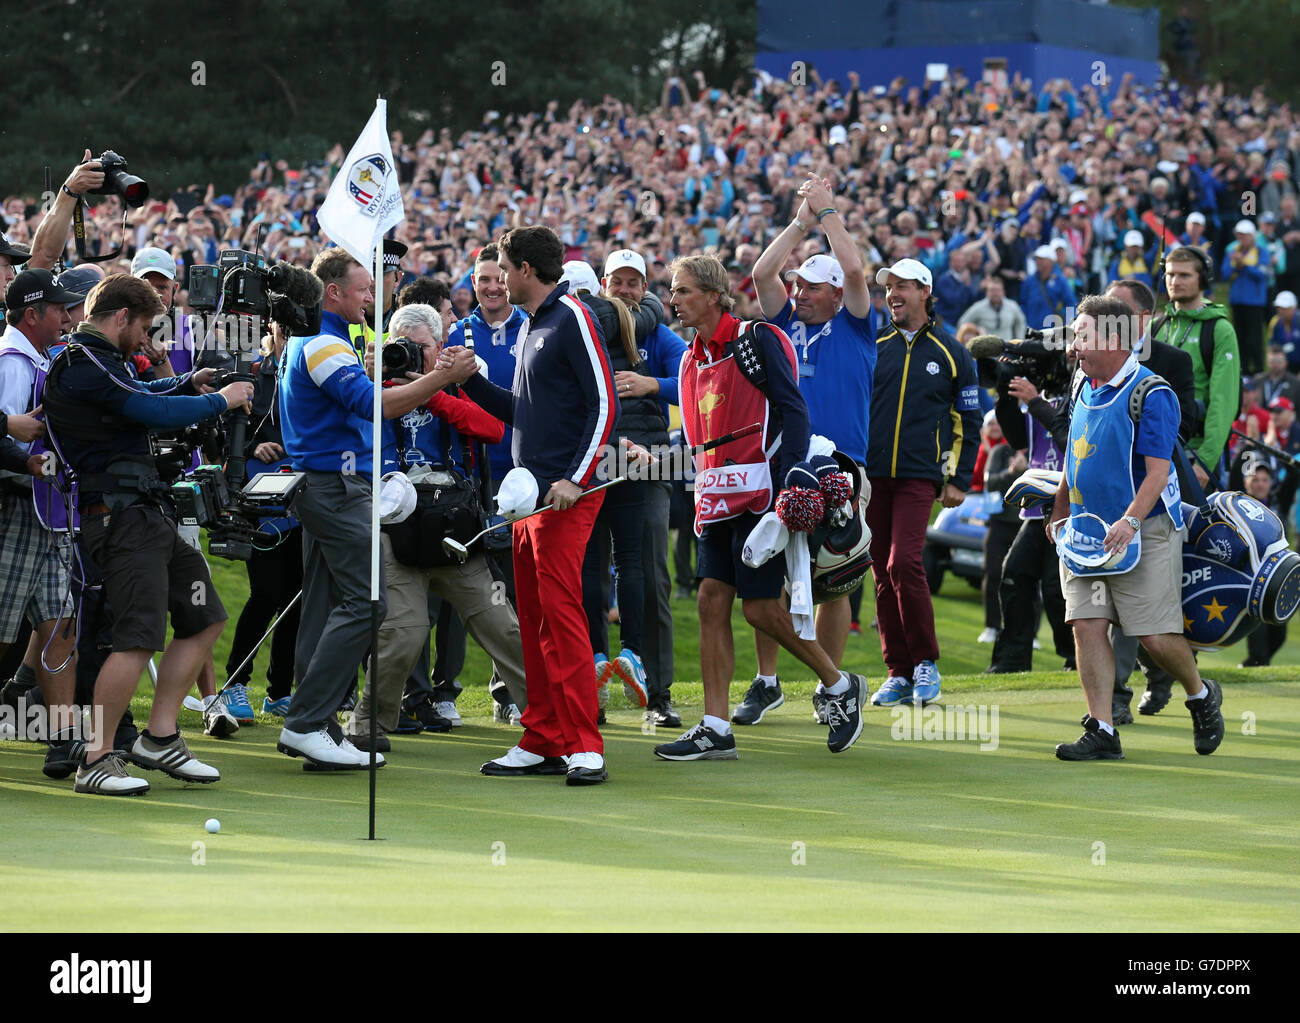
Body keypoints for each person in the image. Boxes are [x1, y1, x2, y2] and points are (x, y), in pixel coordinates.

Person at [42, 273, 255, 795]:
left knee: (204, 616)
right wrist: (220, 400)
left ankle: (159, 739)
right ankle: (96, 759)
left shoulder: (104, 363)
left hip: (144, 512)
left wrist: (188, 381)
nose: (148, 341)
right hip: (117, 517)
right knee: (136, 639)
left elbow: (142, 393)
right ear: (120, 318)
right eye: (143, 328)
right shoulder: (82, 362)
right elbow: (149, 411)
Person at [650, 253, 868, 761]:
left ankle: (838, 685)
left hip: (760, 495)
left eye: (682, 291)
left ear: (710, 294)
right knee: (709, 599)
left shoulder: (757, 338)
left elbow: (794, 409)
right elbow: (698, 435)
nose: (674, 300)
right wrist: (655, 456)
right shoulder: (689, 358)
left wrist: (793, 477)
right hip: (715, 499)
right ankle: (715, 726)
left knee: (762, 609)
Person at [440, 225, 619, 786]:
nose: (494, 281)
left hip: (566, 495)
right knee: (537, 617)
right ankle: (543, 736)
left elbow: (605, 405)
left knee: (562, 616)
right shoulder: (539, 325)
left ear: (522, 269)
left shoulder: (573, 317)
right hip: (530, 499)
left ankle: (584, 743)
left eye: (502, 269)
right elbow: (525, 413)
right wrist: (469, 383)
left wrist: (576, 477)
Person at [277, 247, 457, 771]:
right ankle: (308, 723)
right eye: (363, 289)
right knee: (367, 601)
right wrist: (439, 380)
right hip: (335, 487)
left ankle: (320, 724)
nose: (371, 298)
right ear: (333, 292)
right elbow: (374, 406)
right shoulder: (323, 345)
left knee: (325, 604)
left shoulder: (317, 340)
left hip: (329, 485)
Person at [344, 302, 529, 752]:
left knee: (501, 625)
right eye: (398, 346)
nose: (408, 353)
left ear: (440, 347)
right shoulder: (371, 388)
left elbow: (492, 430)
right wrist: (380, 381)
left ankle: (549, 715)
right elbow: (358, 432)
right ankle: (367, 723)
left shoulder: (457, 385)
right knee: (402, 631)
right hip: (396, 528)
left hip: (453, 527)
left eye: (419, 347)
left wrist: (435, 391)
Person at [1048, 294, 1224, 761]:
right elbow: (1074, 452)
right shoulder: (1083, 380)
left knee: (1154, 636)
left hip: (1143, 530)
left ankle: (1200, 694)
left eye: (1082, 334)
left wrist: (1129, 521)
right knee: (1086, 624)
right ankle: (1102, 728)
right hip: (1086, 531)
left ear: (1112, 338)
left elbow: (1158, 473)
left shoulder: (1153, 392)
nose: (1074, 345)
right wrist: (1059, 509)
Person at [744, 175, 875, 725]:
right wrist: (799, 222)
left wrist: (828, 215)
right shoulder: (783, 324)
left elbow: (854, 271)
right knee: (768, 572)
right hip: (781, 461)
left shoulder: (857, 325)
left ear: (836, 295)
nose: (800, 293)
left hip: (840, 466)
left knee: (834, 577)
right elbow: (760, 272)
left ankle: (830, 690)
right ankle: (768, 680)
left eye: (812, 288)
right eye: (800, 286)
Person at [867, 258, 982, 707]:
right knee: (880, 570)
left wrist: (959, 479)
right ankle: (897, 670)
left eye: (902, 286)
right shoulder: (873, 343)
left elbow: (969, 422)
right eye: (888, 287)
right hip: (873, 475)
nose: (892, 294)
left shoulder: (954, 352)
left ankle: (925, 663)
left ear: (925, 292)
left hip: (920, 476)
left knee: (903, 563)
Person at [595, 248, 687, 728]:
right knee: (588, 575)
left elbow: (694, 382)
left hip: (646, 461)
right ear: (602, 282)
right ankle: (592, 691)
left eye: (635, 282)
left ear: (645, 289)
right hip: (591, 465)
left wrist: (652, 385)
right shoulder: (588, 328)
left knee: (651, 576)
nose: (626, 289)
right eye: (619, 281)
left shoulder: (659, 333)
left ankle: (657, 691)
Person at [0, 269, 80, 778]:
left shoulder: (32, 356)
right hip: (17, 514)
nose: (66, 318)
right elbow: (14, 450)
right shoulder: (12, 362)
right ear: (32, 315)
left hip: (45, 515)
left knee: (61, 625)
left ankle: (65, 739)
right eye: (58, 310)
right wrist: (47, 469)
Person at [220, 320, 302, 720]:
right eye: (283, 330)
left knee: (296, 602)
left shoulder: (313, 368)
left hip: (307, 502)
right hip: (263, 505)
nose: (289, 337)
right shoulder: (252, 373)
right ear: (273, 330)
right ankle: (235, 683)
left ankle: (280, 691)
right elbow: (220, 433)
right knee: (266, 594)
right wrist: (255, 444)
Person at [1152, 245, 1241, 494]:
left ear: (1203, 279)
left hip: (1194, 454)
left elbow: (1223, 402)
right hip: (1151, 452)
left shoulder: (1220, 330)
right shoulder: (1155, 327)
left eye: (1184, 275)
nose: (1174, 281)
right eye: (1169, 274)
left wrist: (1206, 461)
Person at [1222, 220, 1269, 375]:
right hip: (1237, 301)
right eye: (1239, 235)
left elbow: (1263, 275)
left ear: (1251, 236)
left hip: (1254, 302)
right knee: (1240, 337)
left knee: (1255, 338)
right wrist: (1236, 264)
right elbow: (1225, 274)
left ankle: (1259, 369)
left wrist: (1245, 266)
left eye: (1244, 235)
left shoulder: (1261, 251)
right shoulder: (1232, 251)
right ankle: (1243, 370)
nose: (1241, 238)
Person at [958, 274, 1027, 342]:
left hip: (1007, 348)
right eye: (992, 290)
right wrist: (976, 330)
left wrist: (1019, 341)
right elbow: (962, 323)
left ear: (1003, 292)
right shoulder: (978, 307)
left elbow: (1021, 322)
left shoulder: (1012, 306)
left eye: (997, 290)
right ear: (987, 292)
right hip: (985, 348)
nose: (995, 293)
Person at [1267, 291, 1299, 370]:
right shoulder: (1275, 322)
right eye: (1279, 308)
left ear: (1293, 308)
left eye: (1285, 308)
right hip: (1283, 366)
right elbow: (1270, 345)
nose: (1281, 311)